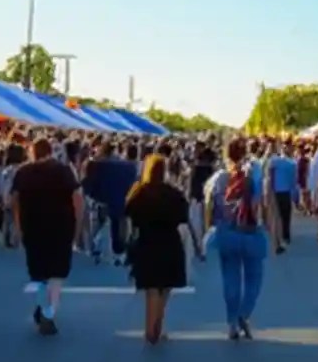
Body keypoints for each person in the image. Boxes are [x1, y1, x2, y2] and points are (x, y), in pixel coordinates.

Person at [126, 155, 202, 344]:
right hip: (170, 243)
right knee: (165, 287)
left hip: (146, 243)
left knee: (151, 288)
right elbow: (184, 219)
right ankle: (157, 325)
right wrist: (197, 244)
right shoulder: (174, 194)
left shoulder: (138, 193)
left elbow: (129, 219)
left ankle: (150, 328)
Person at [12, 138, 83, 336]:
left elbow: (15, 201)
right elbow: (77, 199)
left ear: (32, 152)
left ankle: (43, 305)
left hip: (33, 227)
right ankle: (48, 313)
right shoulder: (64, 171)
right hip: (61, 227)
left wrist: (18, 228)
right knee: (57, 274)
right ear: (51, 151)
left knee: (39, 272)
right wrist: (77, 227)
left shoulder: (23, 172)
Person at [205, 138, 267, 341]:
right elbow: (259, 205)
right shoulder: (255, 174)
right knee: (254, 279)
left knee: (230, 278)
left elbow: (209, 206)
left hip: (226, 232)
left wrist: (210, 229)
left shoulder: (218, 178)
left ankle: (232, 323)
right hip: (251, 232)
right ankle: (244, 313)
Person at [83, 141, 136, 266]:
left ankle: (96, 250)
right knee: (118, 228)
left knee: (99, 226)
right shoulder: (128, 166)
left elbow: (88, 185)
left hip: (103, 201)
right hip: (122, 202)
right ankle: (119, 252)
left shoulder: (97, 165)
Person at [266, 142, 298, 253]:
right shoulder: (292, 164)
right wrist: (295, 197)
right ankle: (286, 235)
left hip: (276, 192)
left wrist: (269, 192)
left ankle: (277, 239)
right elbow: (294, 182)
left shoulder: (274, 162)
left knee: (276, 216)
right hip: (286, 192)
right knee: (286, 215)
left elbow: (270, 177)